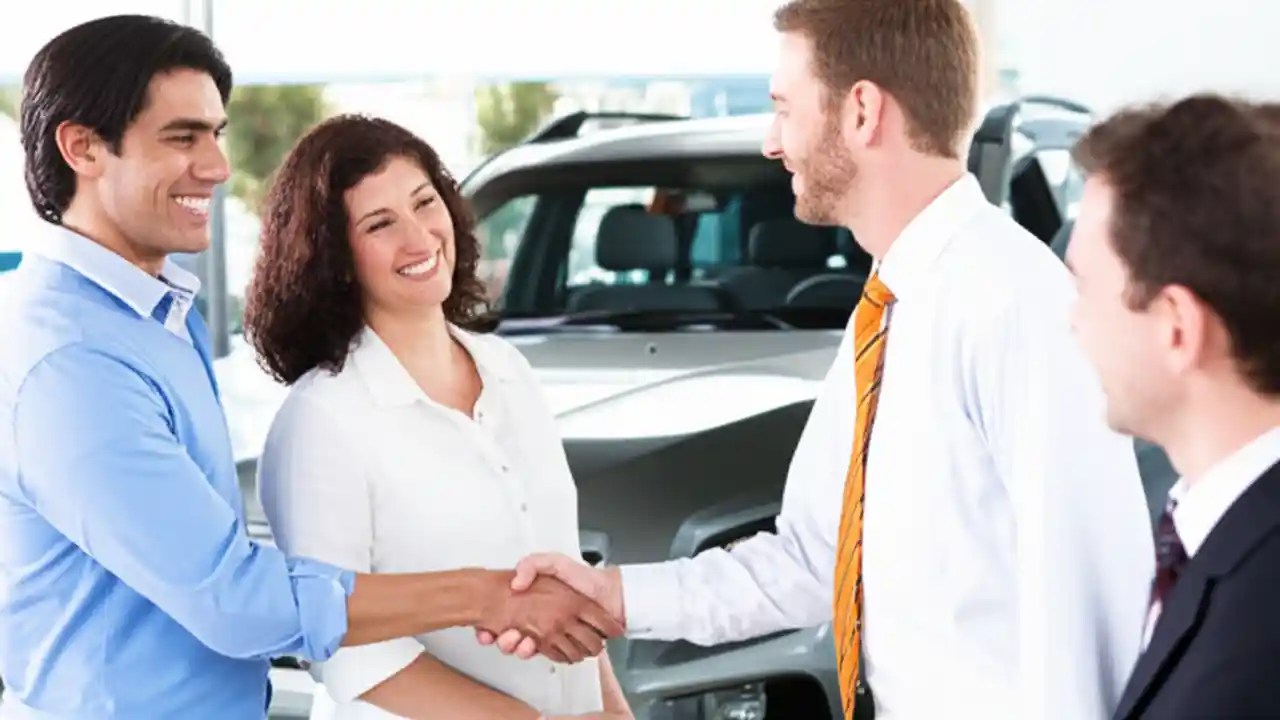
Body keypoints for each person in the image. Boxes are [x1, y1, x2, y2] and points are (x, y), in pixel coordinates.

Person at [481, 1, 1156, 718]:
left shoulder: (1012, 302)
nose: (774, 142)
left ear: (861, 111)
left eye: (784, 108)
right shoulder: (891, 301)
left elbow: (1095, 607)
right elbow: (811, 561)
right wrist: (611, 596)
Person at [0, 15, 619, 719]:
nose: (217, 166)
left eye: (216, 133)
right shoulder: (72, 361)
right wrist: (485, 592)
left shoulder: (153, 319)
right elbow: (234, 602)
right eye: (181, 138)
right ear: (82, 147)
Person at [242, 114, 633, 720]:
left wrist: (611, 713)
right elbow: (342, 649)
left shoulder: (507, 369)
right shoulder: (321, 420)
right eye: (380, 224)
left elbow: (561, 577)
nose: (419, 238)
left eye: (425, 203)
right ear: (337, 259)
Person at [1065, 95, 1280, 720]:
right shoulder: (1227, 536)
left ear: (1177, 327)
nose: (1073, 322)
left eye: (1084, 288)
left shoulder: (1261, 610)